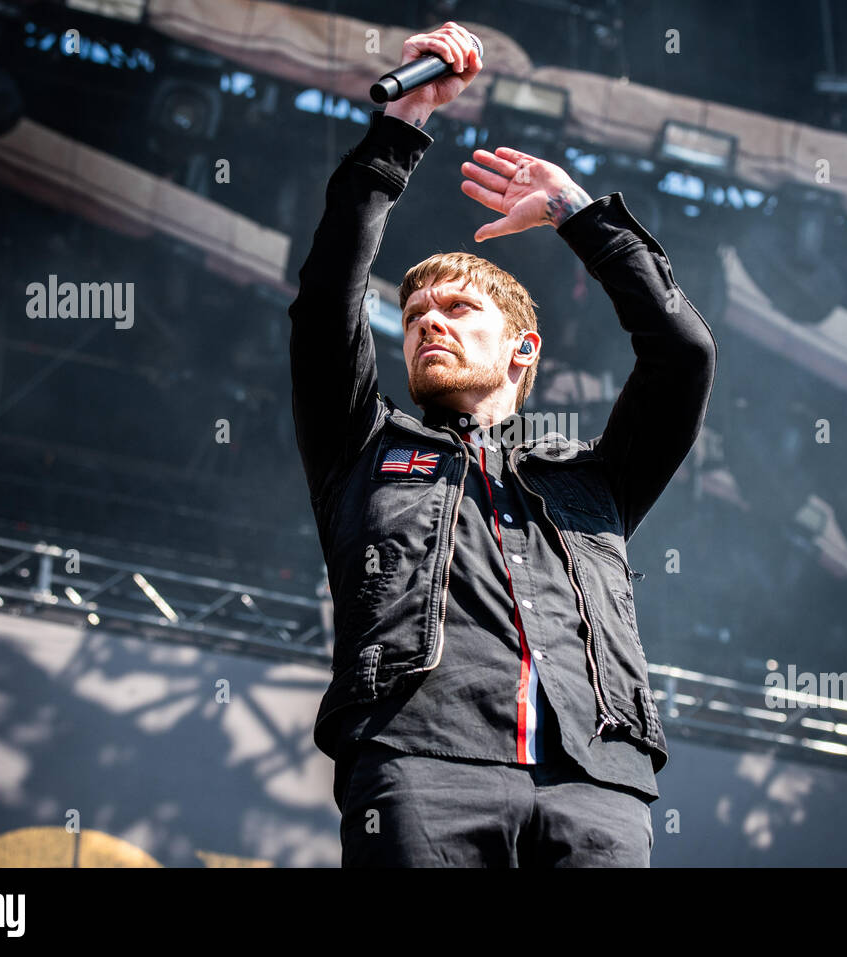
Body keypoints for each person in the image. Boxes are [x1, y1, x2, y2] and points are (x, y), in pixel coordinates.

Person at [288, 21, 717, 866]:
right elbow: (325, 301)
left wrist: (579, 215)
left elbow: (683, 352)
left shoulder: (594, 481)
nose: (428, 326)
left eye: (457, 311)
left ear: (523, 349)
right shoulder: (363, 446)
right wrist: (401, 129)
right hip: (421, 764)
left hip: (599, 782)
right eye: (414, 317)